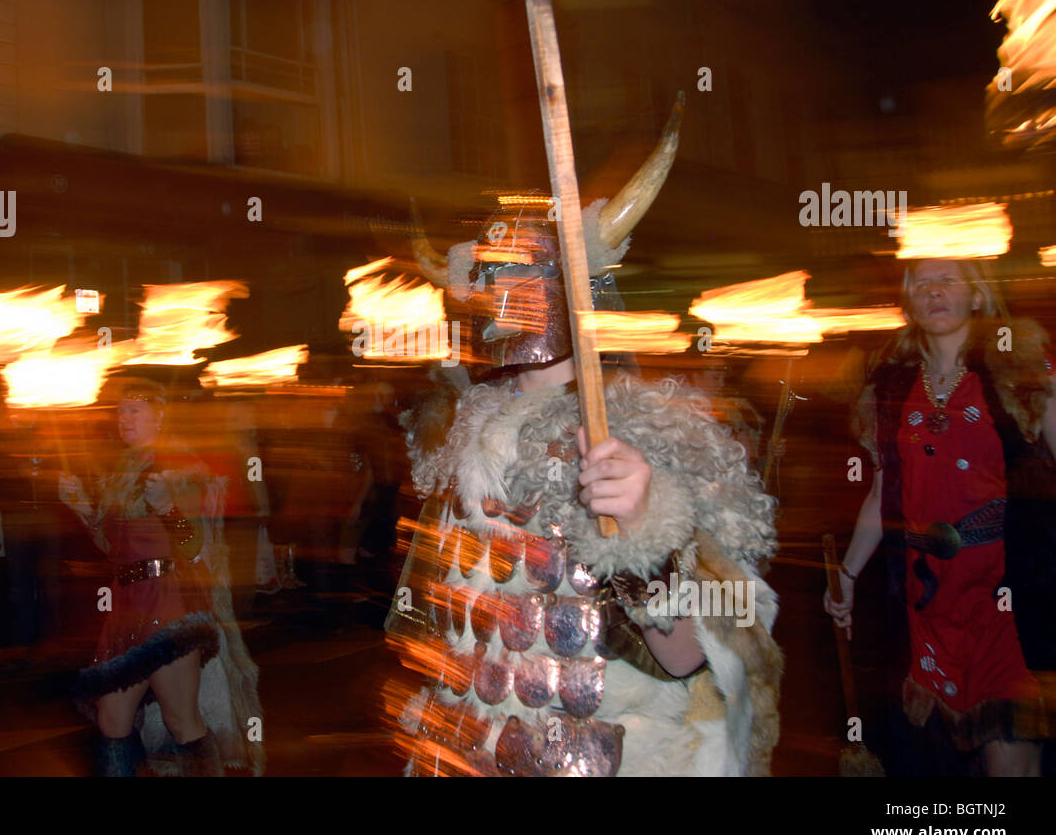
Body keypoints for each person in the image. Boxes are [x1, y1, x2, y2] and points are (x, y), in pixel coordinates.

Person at [388, 101, 783, 776]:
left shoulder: (656, 434)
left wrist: (649, 530)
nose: (501, 295)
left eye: (521, 273)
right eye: (491, 276)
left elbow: (695, 653)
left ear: (578, 293)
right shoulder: (460, 438)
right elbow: (430, 635)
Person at [826, 258, 1054, 775]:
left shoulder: (1016, 366)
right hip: (927, 599)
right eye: (920, 284)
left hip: (1007, 593)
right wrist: (846, 576)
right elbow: (884, 490)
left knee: (1008, 752)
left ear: (977, 295)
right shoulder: (891, 383)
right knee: (936, 763)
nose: (933, 292)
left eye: (947, 280)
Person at [59, 380, 264, 776]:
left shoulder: (177, 467)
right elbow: (111, 548)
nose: (124, 418)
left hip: (168, 606)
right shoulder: (122, 471)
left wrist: (168, 506)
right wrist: (81, 509)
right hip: (125, 606)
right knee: (112, 721)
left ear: (160, 415)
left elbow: (193, 546)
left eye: (135, 409)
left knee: (181, 721)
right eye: (120, 410)